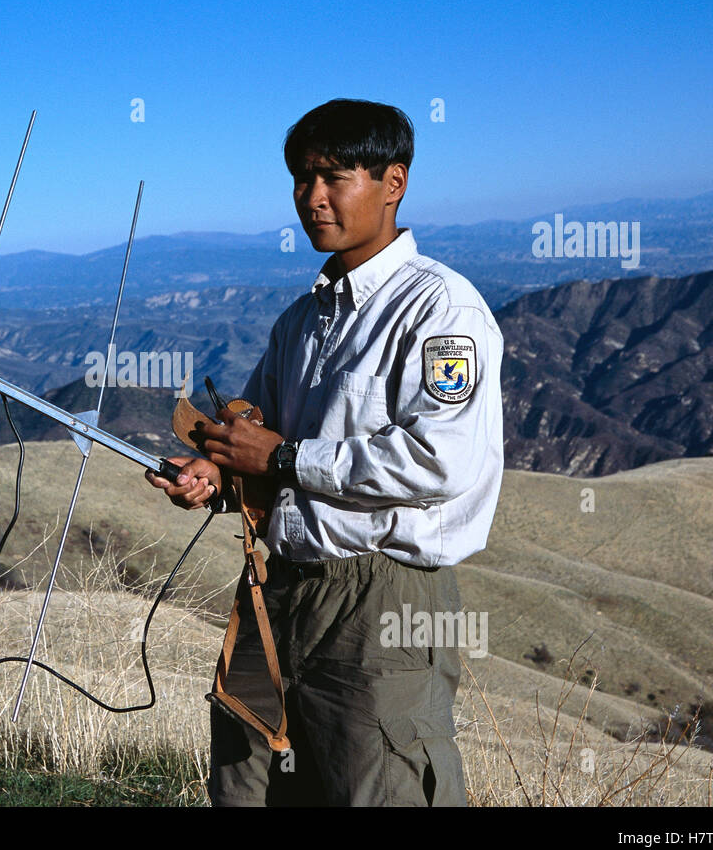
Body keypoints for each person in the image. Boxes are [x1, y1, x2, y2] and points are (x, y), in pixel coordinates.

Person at [145, 99, 504, 806]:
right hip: (280, 585)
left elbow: (440, 462)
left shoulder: (440, 310)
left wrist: (282, 460)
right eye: (301, 180)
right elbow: (255, 435)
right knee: (249, 780)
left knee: (380, 786)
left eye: (334, 177)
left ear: (393, 182)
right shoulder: (302, 322)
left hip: (385, 599)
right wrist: (213, 472)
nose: (312, 199)